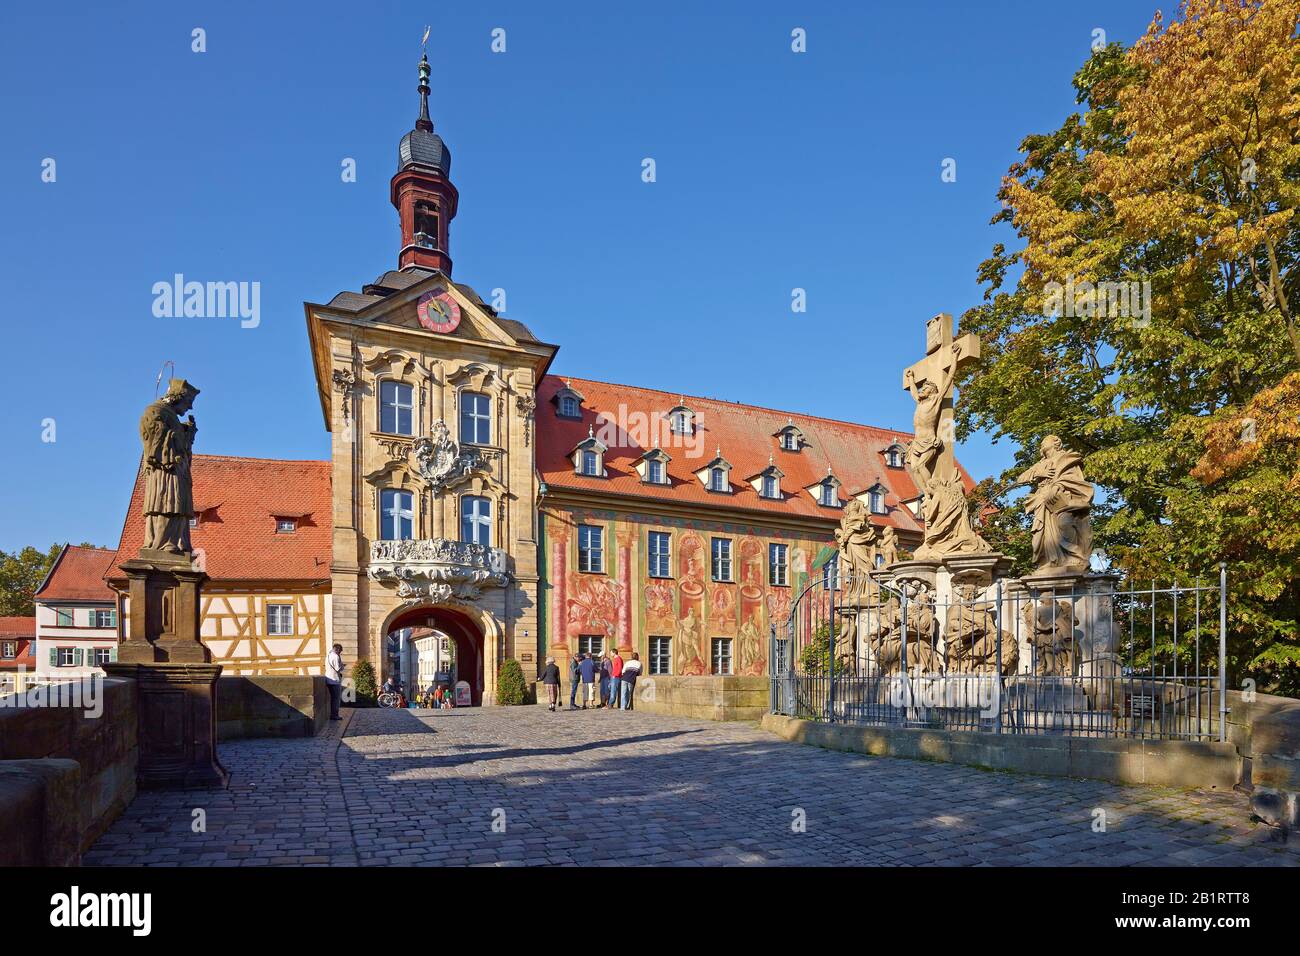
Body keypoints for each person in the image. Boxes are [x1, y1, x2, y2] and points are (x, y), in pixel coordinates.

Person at [325, 643, 344, 720]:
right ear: (338, 650)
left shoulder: (328, 656)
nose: (340, 653)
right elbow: (338, 669)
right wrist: (342, 665)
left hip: (328, 678)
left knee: (332, 698)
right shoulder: (336, 656)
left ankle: (332, 714)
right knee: (336, 699)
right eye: (340, 651)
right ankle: (335, 715)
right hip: (335, 680)